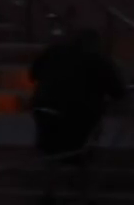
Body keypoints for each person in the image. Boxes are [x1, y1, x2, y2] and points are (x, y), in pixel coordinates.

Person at [29, 29, 126, 176]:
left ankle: (52, 181)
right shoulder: (97, 59)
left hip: (44, 109)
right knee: (81, 144)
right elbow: (118, 91)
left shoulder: (54, 51)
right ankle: (83, 179)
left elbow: (33, 74)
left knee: (52, 145)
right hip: (76, 114)